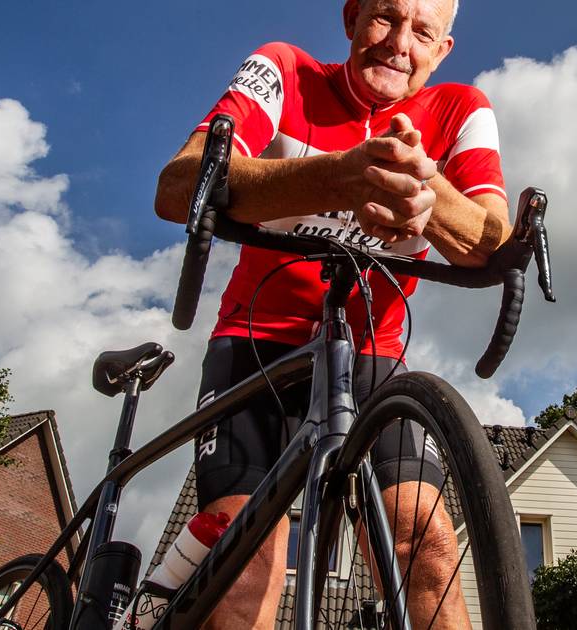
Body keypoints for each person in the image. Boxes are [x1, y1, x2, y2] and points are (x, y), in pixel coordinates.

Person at [154, 0, 510, 627]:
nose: (399, 44)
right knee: (250, 563)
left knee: (424, 546)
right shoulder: (284, 69)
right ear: (350, 18)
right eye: (384, 17)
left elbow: (492, 238)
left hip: (371, 351)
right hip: (254, 342)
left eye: (422, 31)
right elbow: (180, 184)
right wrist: (336, 179)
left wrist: (424, 189)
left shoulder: (460, 108)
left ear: (442, 49)